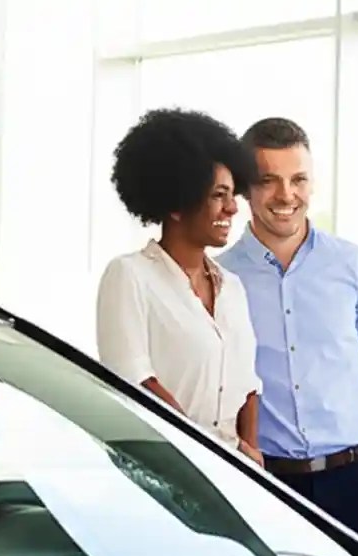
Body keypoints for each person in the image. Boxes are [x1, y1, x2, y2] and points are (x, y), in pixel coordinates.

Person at [218, 117, 358, 548]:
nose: (286, 195)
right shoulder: (221, 278)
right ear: (245, 189)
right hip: (267, 487)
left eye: (298, 179)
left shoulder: (354, 266)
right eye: (268, 180)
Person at [96, 108, 265, 465]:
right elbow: (137, 383)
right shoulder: (129, 276)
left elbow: (249, 384)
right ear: (176, 202)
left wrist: (250, 455)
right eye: (219, 194)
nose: (233, 208)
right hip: (166, 469)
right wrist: (214, 455)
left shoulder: (232, 287)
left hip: (235, 473)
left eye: (233, 194)